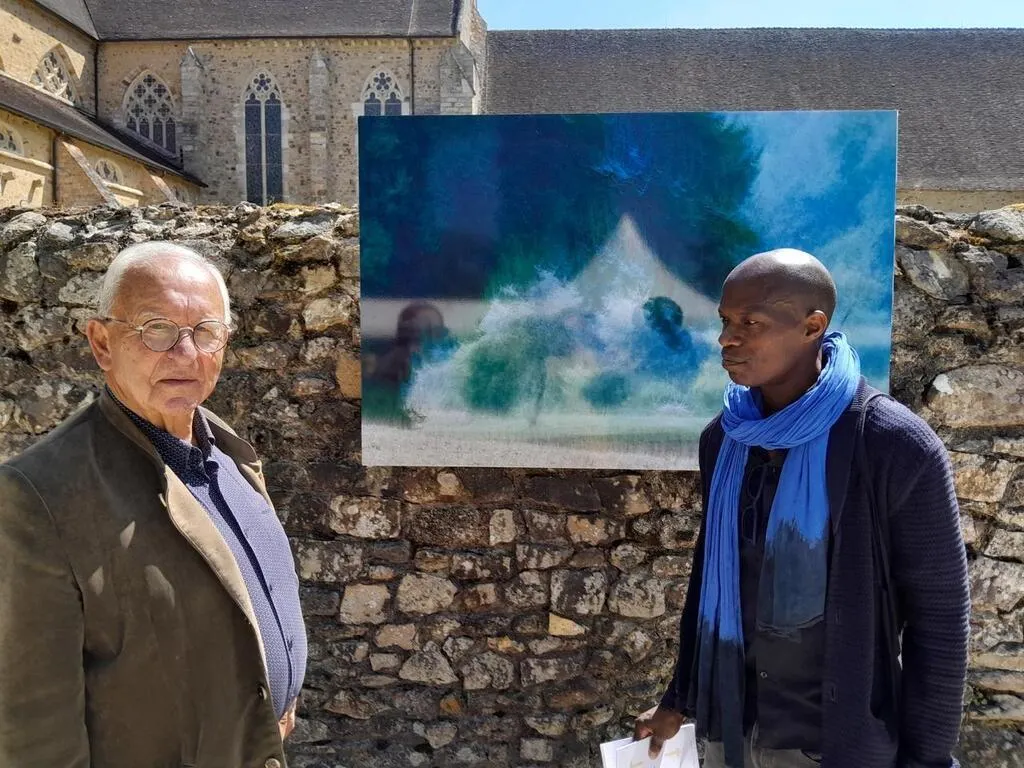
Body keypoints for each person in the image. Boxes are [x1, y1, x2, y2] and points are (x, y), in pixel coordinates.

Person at [634, 249, 970, 767]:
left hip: (832, 742)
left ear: (812, 327)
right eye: (726, 320)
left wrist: (927, 760)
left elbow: (940, 622)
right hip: (730, 728)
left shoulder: (892, 446)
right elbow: (712, 581)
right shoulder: (725, 440)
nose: (728, 338)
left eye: (752, 322)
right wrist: (678, 699)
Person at [0, 242, 306, 767]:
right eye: (156, 328)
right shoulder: (39, 494)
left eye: (205, 331)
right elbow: (32, 736)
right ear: (101, 343)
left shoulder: (228, 453)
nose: (186, 354)